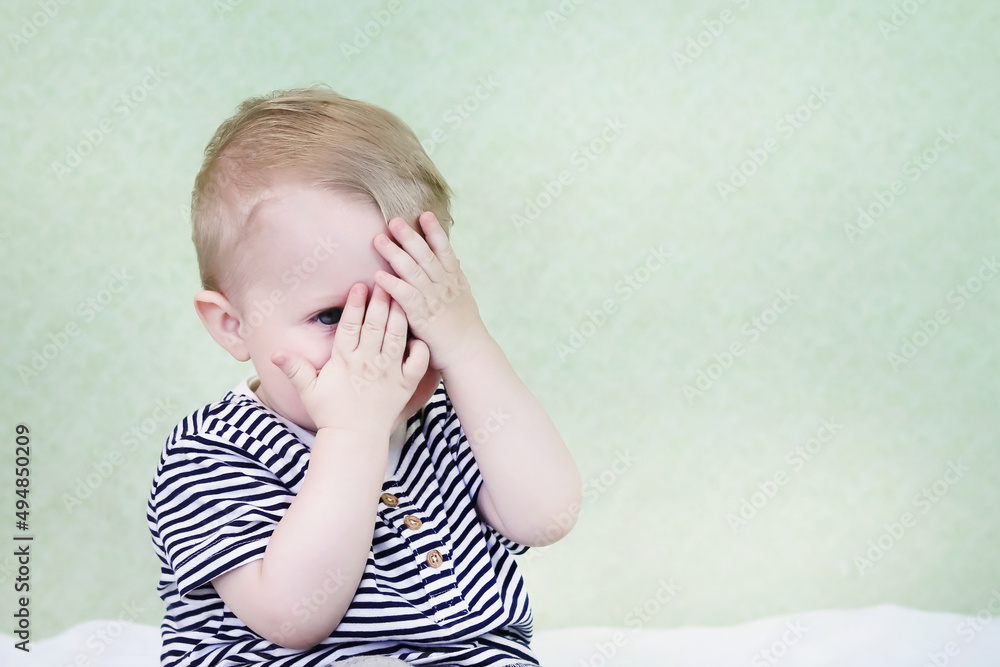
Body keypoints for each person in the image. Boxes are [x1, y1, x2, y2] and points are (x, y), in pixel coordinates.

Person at [146, 86, 582, 667]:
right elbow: (294, 617)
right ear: (233, 327)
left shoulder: (453, 420)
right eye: (332, 316)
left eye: (415, 307)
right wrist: (354, 434)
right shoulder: (212, 454)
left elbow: (546, 516)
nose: (379, 345)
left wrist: (470, 347)